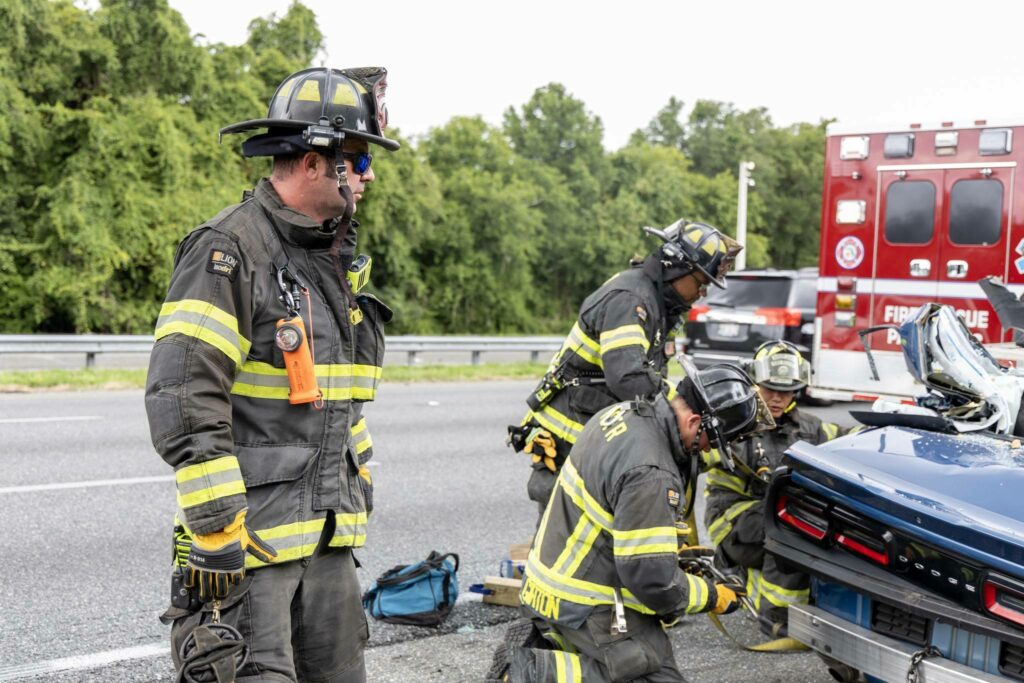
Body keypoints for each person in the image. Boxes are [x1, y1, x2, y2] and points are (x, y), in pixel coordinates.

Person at [144, 66, 398, 682]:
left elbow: (335, 402)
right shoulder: (229, 251)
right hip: (251, 549)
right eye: (358, 159)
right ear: (315, 162)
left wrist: (355, 485)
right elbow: (184, 396)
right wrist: (215, 532)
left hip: (328, 545)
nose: (367, 176)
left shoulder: (329, 257)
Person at [502, 359, 773, 682]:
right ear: (695, 421)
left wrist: (669, 550)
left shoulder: (623, 413)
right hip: (582, 602)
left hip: (546, 582)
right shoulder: (651, 472)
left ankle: (557, 646)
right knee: (655, 677)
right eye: (712, 441)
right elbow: (652, 580)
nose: (708, 449)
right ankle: (534, 673)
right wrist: (712, 596)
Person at [509, 220, 741, 515]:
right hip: (571, 437)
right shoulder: (632, 300)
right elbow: (629, 377)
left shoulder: (658, 301)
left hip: (594, 432)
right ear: (678, 267)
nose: (702, 292)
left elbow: (650, 375)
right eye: (701, 282)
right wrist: (680, 405)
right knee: (563, 537)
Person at [703, 340, 843, 638]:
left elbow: (848, 441)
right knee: (789, 527)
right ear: (753, 384)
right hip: (732, 517)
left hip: (775, 512)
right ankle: (777, 616)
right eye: (770, 389)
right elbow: (692, 454)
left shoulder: (810, 428)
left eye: (786, 390)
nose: (778, 398)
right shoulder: (731, 424)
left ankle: (752, 576)